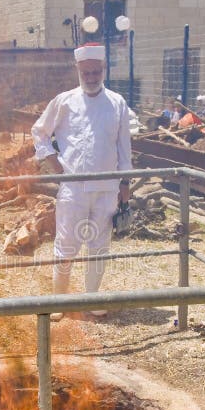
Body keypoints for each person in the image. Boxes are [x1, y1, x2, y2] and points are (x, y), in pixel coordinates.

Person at [31, 43, 132, 322]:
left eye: (96, 72)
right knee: (66, 244)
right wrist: (54, 163)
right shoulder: (64, 101)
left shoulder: (117, 103)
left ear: (104, 69)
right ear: (78, 70)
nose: (91, 77)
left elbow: (124, 148)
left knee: (99, 246)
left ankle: (91, 299)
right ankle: (60, 301)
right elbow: (40, 132)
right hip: (73, 188)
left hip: (107, 188)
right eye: (86, 72)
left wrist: (125, 185)